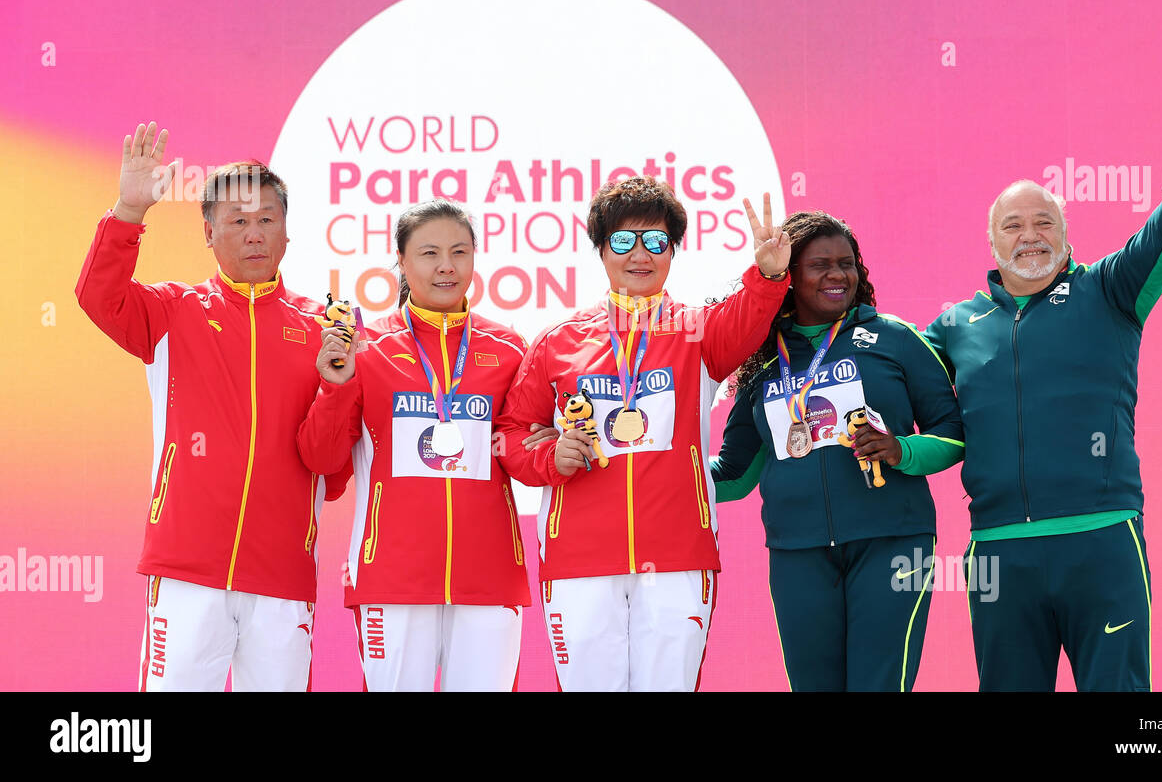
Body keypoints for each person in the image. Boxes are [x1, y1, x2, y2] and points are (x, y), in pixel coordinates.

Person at [923, 130, 1162, 691]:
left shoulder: (1109, 290)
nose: (1030, 236)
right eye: (1013, 226)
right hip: (998, 554)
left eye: (1044, 223)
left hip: (1103, 543)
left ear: (1065, 234)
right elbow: (889, 370)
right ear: (992, 243)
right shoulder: (953, 327)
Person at [75, 122, 344, 691]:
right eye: (238, 221)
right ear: (208, 231)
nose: (254, 235)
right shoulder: (175, 310)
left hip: (282, 576)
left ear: (287, 233)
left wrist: (338, 388)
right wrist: (128, 209)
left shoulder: (324, 331)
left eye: (267, 220)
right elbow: (99, 298)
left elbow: (333, 468)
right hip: (187, 569)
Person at [496, 177, 791, 691]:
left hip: (678, 554)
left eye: (655, 241)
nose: (640, 254)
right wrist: (551, 457)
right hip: (579, 557)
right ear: (600, 249)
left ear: (673, 250)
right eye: (623, 240)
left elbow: (748, 318)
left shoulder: (700, 331)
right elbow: (513, 434)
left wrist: (769, 275)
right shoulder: (558, 343)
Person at [296, 199, 555, 691]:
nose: (446, 266)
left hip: (489, 577)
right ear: (401, 260)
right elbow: (321, 459)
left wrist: (551, 448)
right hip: (390, 575)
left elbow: (518, 446)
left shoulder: (509, 349)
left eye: (459, 252)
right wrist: (335, 386)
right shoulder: (366, 348)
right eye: (429, 253)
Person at [710, 211, 963, 691]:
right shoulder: (763, 359)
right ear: (789, 278)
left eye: (846, 264)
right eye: (819, 265)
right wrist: (655, 472)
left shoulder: (894, 338)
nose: (837, 275)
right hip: (797, 551)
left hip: (893, 543)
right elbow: (738, 473)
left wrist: (900, 449)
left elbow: (953, 432)